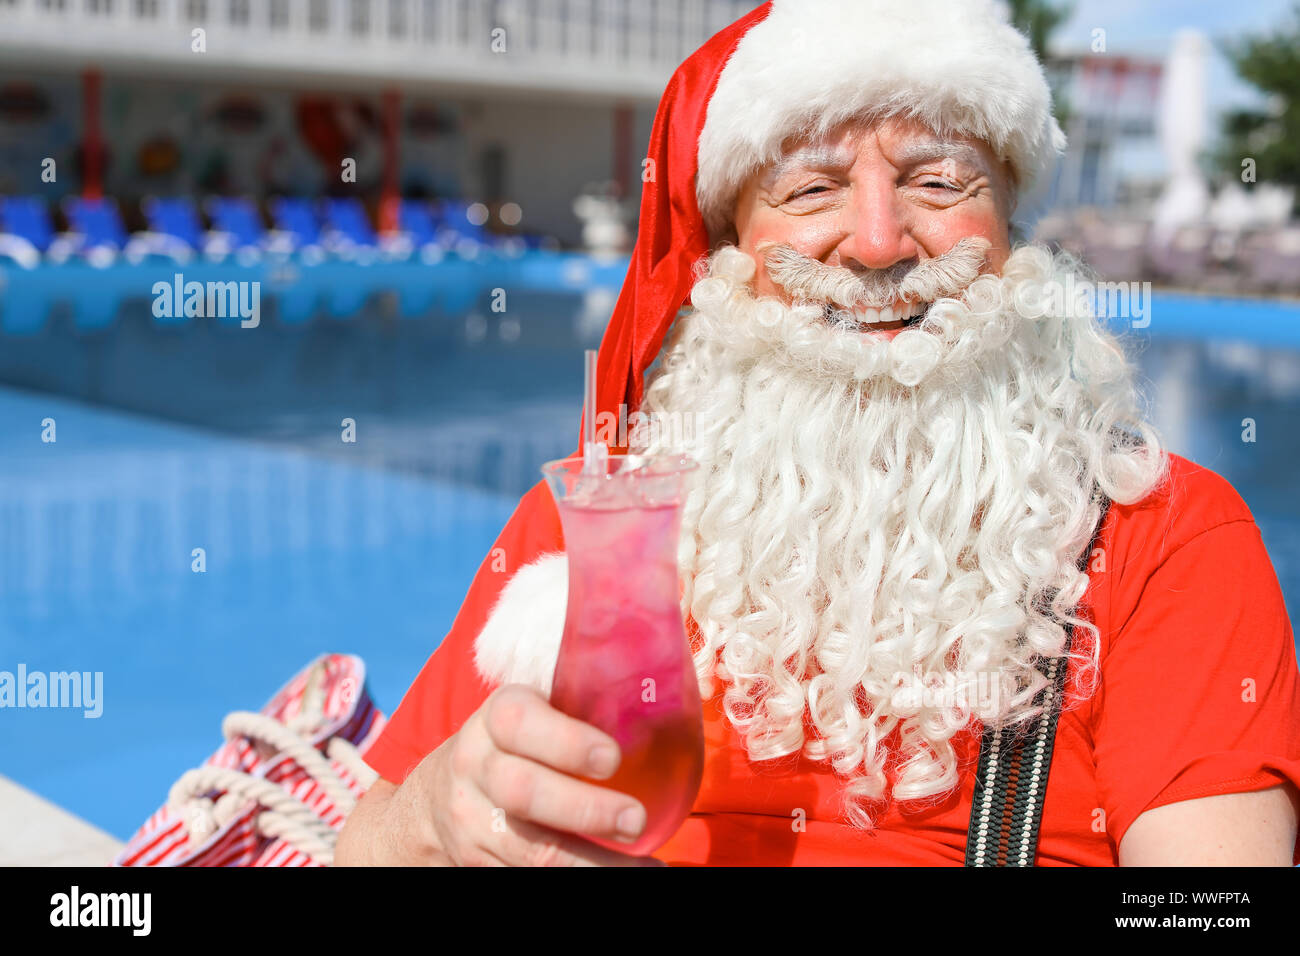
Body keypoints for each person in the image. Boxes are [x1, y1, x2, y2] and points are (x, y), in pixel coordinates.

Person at [335, 0, 1300, 866]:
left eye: (938, 181)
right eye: (810, 191)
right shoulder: (602, 519)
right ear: (729, 252)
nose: (878, 243)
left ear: (1011, 227)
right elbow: (367, 845)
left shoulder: (1166, 536)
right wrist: (430, 819)